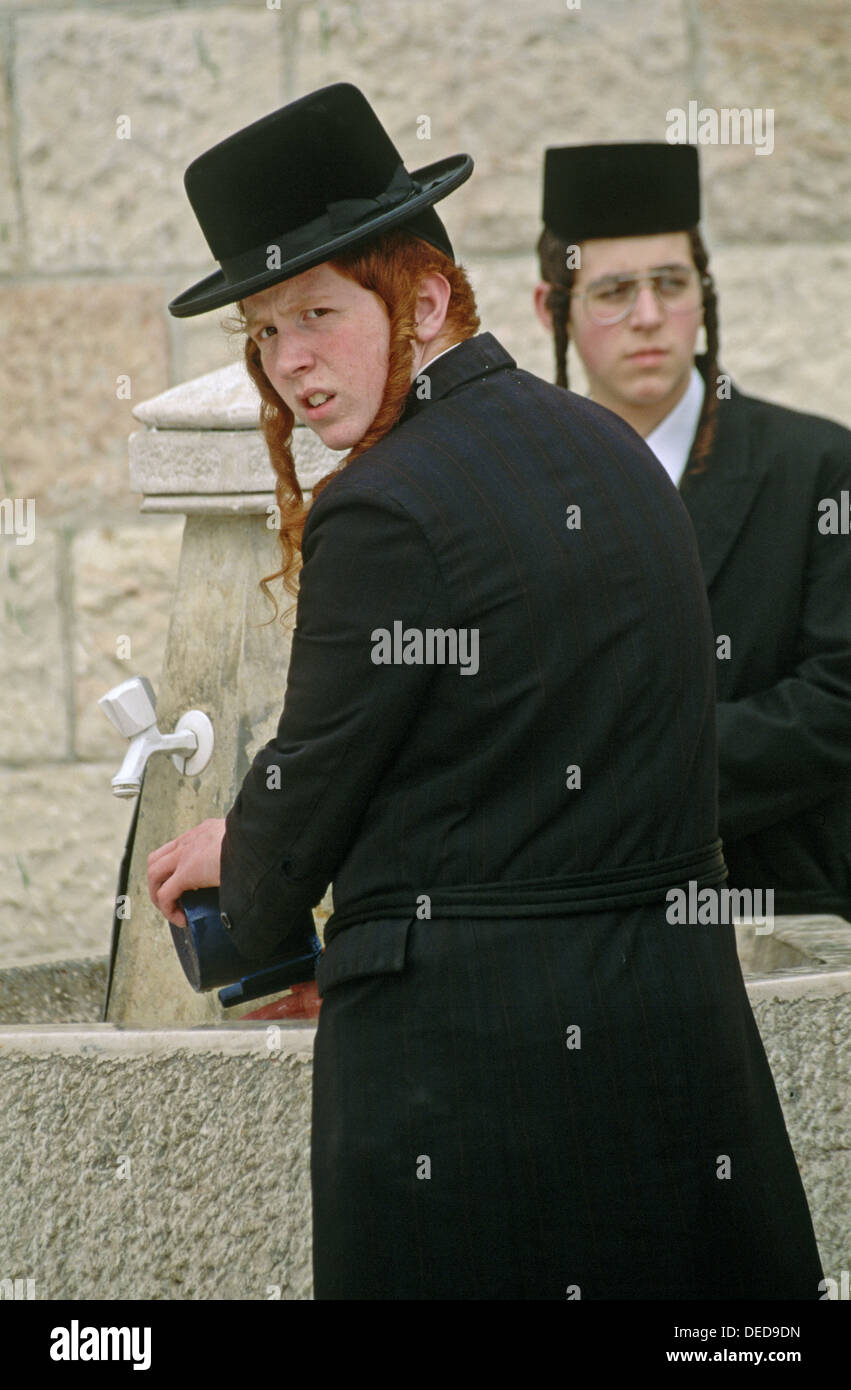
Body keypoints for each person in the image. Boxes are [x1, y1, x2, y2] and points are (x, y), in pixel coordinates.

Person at [148, 86, 823, 1299]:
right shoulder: (606, 447)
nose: (288, 361)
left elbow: (312, 785)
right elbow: (504, 756)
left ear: (424, 296)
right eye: (260, 330)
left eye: (316, 312)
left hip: (473, 1106)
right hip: (677, 1063)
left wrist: (240, 869)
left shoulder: (383, 503)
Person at [534, 142, 851, 924]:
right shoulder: (509, 483)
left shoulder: (816, 466)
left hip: (778, 903)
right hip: (567, 917)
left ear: (702, 296)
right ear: (553, 308)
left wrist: (630, 775)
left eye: (670, 285)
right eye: (611, 291)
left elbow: (839, 695)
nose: (646, 317)